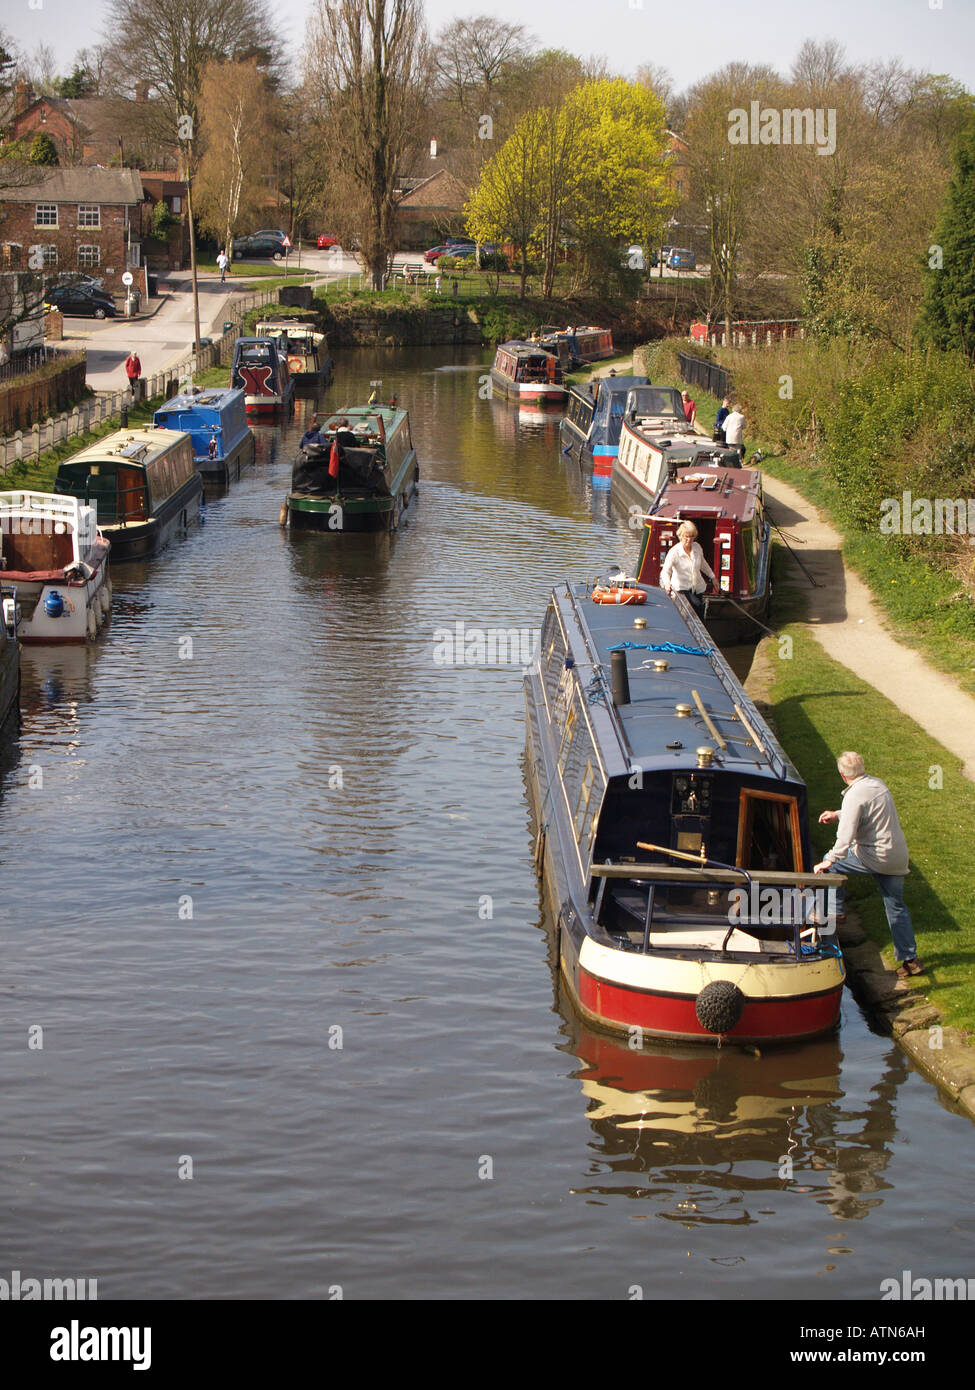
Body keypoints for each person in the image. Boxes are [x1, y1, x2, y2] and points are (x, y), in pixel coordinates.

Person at [813, 752, 922, 977]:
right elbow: (862, 810)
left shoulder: (853, 796)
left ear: (842, 775)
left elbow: (845, 838)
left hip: (874, 856)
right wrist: (837, 814)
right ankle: (911, 960)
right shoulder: (877, 784)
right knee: (896, 907)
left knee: (831, 867)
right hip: (896, 856)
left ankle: (836, 912)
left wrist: (829, 859)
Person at [658, 520, 716, 616]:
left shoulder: (697, 547)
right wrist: (667, 583)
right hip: (681, 589)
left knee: (700, 611)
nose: (689, 540)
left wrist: (713, 577)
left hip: (697, 588)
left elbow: (703, 563)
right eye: (686, 537)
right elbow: (665, 571)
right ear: (681, 536)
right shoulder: (674, 552)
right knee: (696, 607)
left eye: (692, 536)